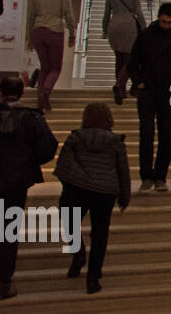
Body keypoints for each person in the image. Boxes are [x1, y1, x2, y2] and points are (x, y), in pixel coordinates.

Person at [0, 77, 58, 299]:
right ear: (22, 93)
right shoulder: (31, 118)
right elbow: (47, 147)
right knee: (9, 228)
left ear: (0, 94)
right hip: (16, 181)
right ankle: (3, 281)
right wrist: (29, 161)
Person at [54, 102, 130, 294]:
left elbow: (63, 165)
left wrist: (75, 181)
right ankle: (93, 278)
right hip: (104, 192)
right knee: (100, 235)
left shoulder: (75, 138)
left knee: (69, 223)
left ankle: (78, 253)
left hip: (77, 190)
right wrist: (124, 196)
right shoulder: (116, 142)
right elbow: (123, 171)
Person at [127, 2, 171, 193]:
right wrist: (139, 82)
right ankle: (146, 175)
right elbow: (132, 63)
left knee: (166, 134)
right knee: (146, 133)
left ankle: (160, 176)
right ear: (158, 17)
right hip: (148, 90)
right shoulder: (145, 36)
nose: (166, 25)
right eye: (163, 22)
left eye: (169, 22)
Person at [25, 0, 77, 112]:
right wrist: (72, 34)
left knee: (44, 67)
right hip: (55, 31)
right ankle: (46, 91)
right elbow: (69, 16)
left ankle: (40, 99)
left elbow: (30, 18)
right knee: (55, 68)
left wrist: (30, 38)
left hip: (38, 31)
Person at [102, 0, 146, 106]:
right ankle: (119, 85)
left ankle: (121, 90)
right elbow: (139, 14)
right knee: (129, 60)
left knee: (119, 58)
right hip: (129, 28)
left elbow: (106, 16)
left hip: (114, 27)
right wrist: (144, 30)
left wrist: (104, 31)